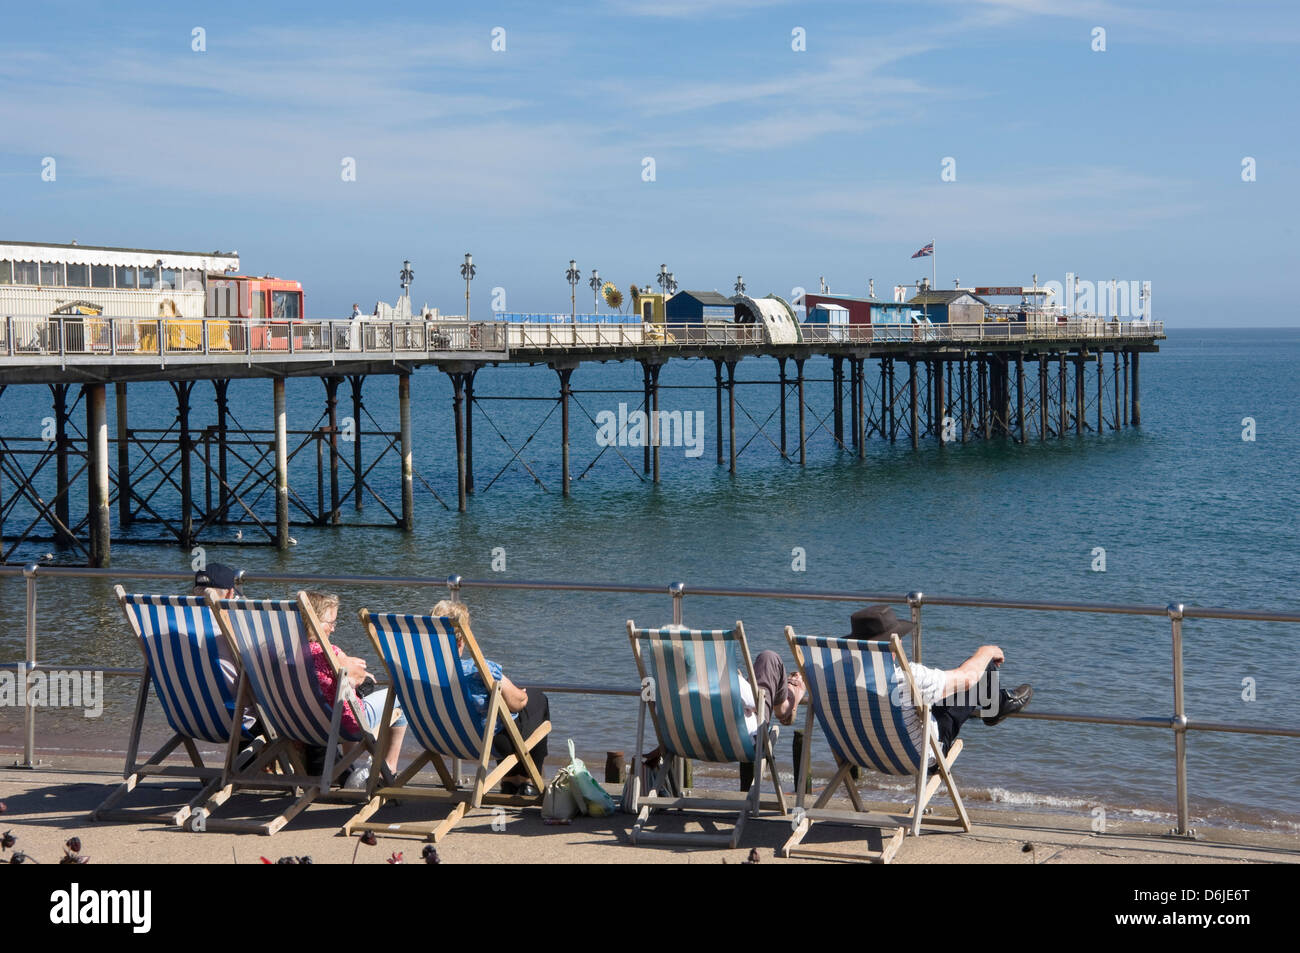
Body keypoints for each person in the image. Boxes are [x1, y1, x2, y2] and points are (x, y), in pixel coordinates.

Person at [849, 605, 1032, 757]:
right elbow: (968, 677)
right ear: (892, 647)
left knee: (925, 698)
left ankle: (996, 704)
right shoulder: (908, 677)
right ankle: (999, 705)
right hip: (919, 757)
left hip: (866, 754)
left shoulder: (839, 678)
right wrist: (987, 652)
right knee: (983, 671)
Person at [431, 599, 549, 797]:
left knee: (497, 712)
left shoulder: (417, 673)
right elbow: (519, 703)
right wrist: (521, 693)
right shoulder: (479, 669)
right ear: (461, 641)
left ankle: (511, 780)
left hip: (439, 739)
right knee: (537, 699)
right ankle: (528, 780)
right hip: (488, 744)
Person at [300, 590, 407, 785]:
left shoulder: (284, 652)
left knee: (344, 697)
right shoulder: (329, 653)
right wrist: (360, 674)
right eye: (330, 623)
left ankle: (349, 768)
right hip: (341, 726)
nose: (333, 629)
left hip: (299, 726)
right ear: (313, 621)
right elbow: (358, 676)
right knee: (401, 696)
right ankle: (389, 768)